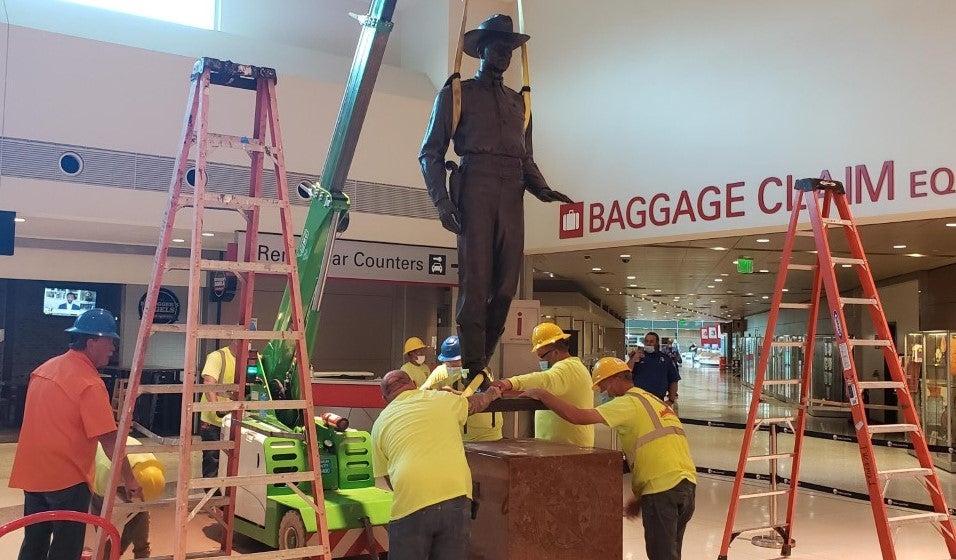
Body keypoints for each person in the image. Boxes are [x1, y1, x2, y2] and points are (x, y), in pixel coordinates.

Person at [419, 14, 573, 378]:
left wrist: (542, 188)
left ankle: (482, 359)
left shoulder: (519, 102)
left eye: (509, 48)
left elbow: (526, 156)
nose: (504, 53)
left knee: (505, 285)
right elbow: (431, 153)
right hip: (476, 183)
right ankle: (473, 364)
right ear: (482, 49)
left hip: (512, 189)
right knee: (475, 282)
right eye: (497, 46)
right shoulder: (457, 94)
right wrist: (442, 201)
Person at [521, 357, 696, 560]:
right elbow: (661, 450)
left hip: (662, 490)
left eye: (604, 386)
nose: (605, 393)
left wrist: (543, 394)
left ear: (614, 379)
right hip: (686, 486)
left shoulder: (628, 403)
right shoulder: (653, 400)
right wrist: (641, 498)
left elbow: (578, 417)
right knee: (671, 553)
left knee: (662, 556)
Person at [9, 308, 142, 560]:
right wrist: (130, 479)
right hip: (67, 480)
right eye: (110, 341)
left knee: (33, 544)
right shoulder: (89, 383)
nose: (113, 348)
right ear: (92, 342)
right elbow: (109, 440)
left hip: (33, 474)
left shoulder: (44, 369)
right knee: (66, 549)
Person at [371, 369, 501, 560]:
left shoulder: (379, 424)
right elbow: (475, 404)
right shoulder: (442, 399)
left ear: (384, 398)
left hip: (412, 501)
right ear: (414, 383)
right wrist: (491, 393)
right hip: (456, 494)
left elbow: (388, 479)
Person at [491, 323, 594, 447]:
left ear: (555, 352)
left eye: (542, 356)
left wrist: (510, 383)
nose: (542, 361)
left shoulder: (567, 369)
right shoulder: (573, 367)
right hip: (563, 446)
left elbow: (544, 380)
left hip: (570, 447)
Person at [91, 437, 167, 559]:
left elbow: (140, 506)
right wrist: (109, 549)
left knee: (139, 510)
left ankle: (141, 552)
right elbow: (99, 516)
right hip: (100, 459)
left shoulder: (152, 468)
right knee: (102, 519)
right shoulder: (105, 472)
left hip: (128, 464)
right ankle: (108, 555)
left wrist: (119, 549)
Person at [421, 335, 503, 442]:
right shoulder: (440, 372)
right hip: (462, 434)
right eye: (448, 362)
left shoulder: (480, 371)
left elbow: (483, 395)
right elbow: (423, 393)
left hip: (489, 433)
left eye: (455, 361)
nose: (451, 365)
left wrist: (453, 394)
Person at [199, 340, 241, 478]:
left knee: (232, 461)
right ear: (235, 340)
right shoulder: (217, 357)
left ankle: (226, 493)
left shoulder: (245, 359)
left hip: (233, 420)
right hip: (213, 421)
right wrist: (216, 406)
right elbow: (209, 383)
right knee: (213, 460)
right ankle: (212, 495)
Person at [629, 332, 681, 405]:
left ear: (657, 343)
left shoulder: (666, 360)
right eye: (646, 341)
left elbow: (673, 381)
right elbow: (627, 373)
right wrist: (633, 359)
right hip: (637, 400)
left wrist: (671, 400)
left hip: (658, 400)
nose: (648, 344)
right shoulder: (637, 357)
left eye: (651, 341)